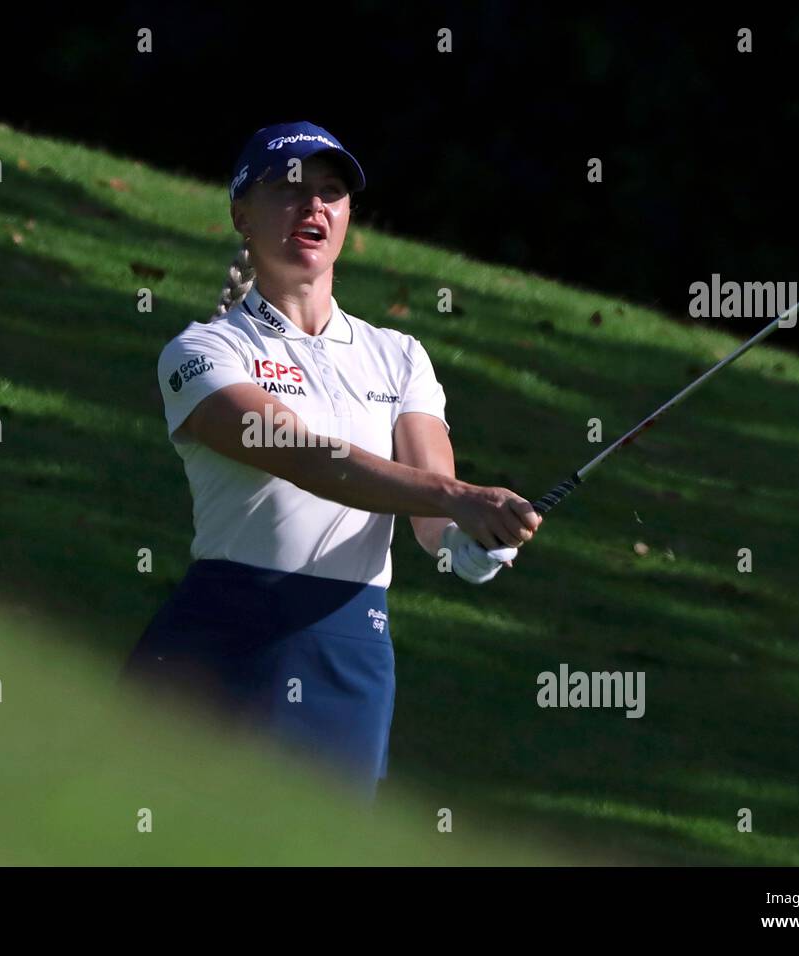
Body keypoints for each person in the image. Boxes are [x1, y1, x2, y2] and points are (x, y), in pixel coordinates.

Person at [120, 121, 542, 799]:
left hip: (348, 650)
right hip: (220, 635)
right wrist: (454, 497)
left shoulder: (400, 357)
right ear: (241, 213)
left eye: (332, 193)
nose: (314, 206)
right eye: (291, 190)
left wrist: (471, 544)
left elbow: (434, 511)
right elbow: (299, 454)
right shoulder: (201, 351)